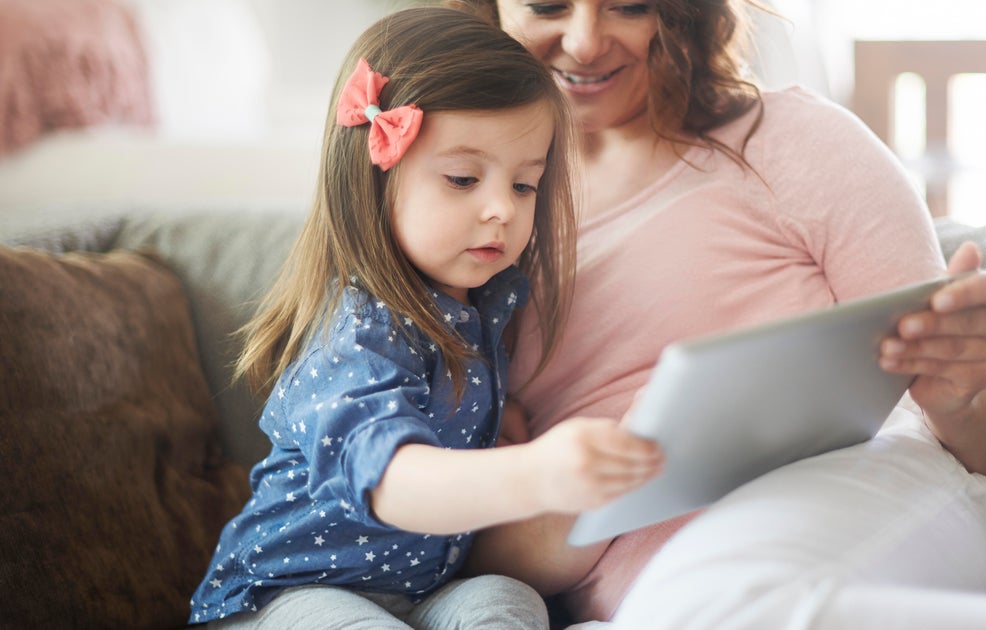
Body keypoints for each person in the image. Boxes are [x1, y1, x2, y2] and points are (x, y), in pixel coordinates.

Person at [433, 0, 986, 627]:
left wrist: (960, 397)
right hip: (651, 593)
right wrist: (589, 488)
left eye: (630, 6)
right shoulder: (455, 214)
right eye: (548, 5)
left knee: (748, 604)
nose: (585, 42)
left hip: (860, 501)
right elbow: (451, 535)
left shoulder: (792, 140)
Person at [188, 7, 664, 628]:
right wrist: (537, 473)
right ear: (373, 176)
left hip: (420, 589)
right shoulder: (356, 329)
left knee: (510, 604)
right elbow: (393, 481)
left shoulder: (488, 305)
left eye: (524, 185)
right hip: (284, 593)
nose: (502, 209)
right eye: (464, 179)